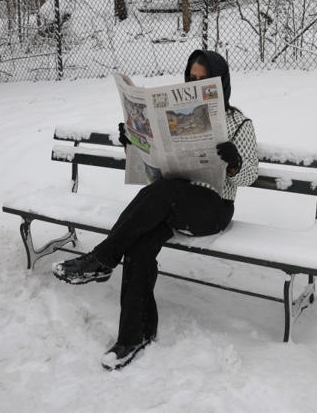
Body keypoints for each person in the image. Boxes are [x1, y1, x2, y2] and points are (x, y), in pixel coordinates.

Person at [53, 49, 258, 370]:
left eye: (204, 79)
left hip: (213, 208)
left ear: (220, 82)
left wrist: (234, 161)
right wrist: (134, 140)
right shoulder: (177, 113)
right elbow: (154, 166)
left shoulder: (238, 122)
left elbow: (249, 176)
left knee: (163, 193)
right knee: (139, 245)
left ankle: (103, 258)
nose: (195, 83)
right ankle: (134, 336)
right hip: (172, 203)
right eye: (191, 78)